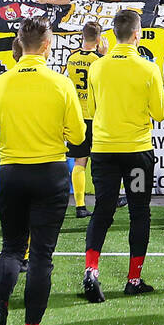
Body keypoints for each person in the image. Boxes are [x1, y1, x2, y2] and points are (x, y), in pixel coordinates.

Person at [0, 17, 84, 325]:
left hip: (12, 173)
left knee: (11, 249)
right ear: (47, 45)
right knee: (41, 256)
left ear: (20, 44)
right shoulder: (60, 83)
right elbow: (79, 135)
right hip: (50, 172)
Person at [82, 9, 164, 302]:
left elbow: (92, 110)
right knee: (139, 212)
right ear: (135, 34)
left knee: (103, 211)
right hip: (136, 152)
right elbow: (160, 112)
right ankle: (133, 278)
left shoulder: (98, 67)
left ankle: (91, 271)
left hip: (104, 149)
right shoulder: (148, 68)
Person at [64, 21, 104, 219]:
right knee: (101, 161)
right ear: (98, 39)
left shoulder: (71, 58)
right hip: (95, 116)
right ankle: (106, 200)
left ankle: (80, 205)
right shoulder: (99, 59)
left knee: (80, 161)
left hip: (76, 116)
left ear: (82, 36)